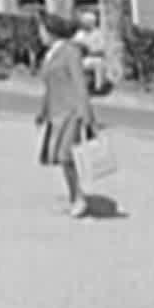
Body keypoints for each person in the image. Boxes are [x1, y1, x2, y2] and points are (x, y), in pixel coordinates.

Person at [35, 13, 100, 219]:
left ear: (51, 31)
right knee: (61, 158)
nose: (40, 35)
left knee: (65, 155)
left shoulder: (70, 51)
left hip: (71, 110)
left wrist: (86, 114)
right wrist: (43, 111)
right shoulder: (50, 54)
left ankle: (78, 198)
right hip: (56, 111)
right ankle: (75, 197)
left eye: (42, 30)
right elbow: (49, 86)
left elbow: (79, 82)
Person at [73, 9, 108, 94]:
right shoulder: (80, 33)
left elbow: (101, 48)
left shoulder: (98, 33)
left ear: (92, 23)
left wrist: (90, 49)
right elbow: (74, 43)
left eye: (86, 22)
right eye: (83, 22)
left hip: (95, 57)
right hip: (82, 58)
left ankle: (98, 88)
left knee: (98, 63)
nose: (84, 24)